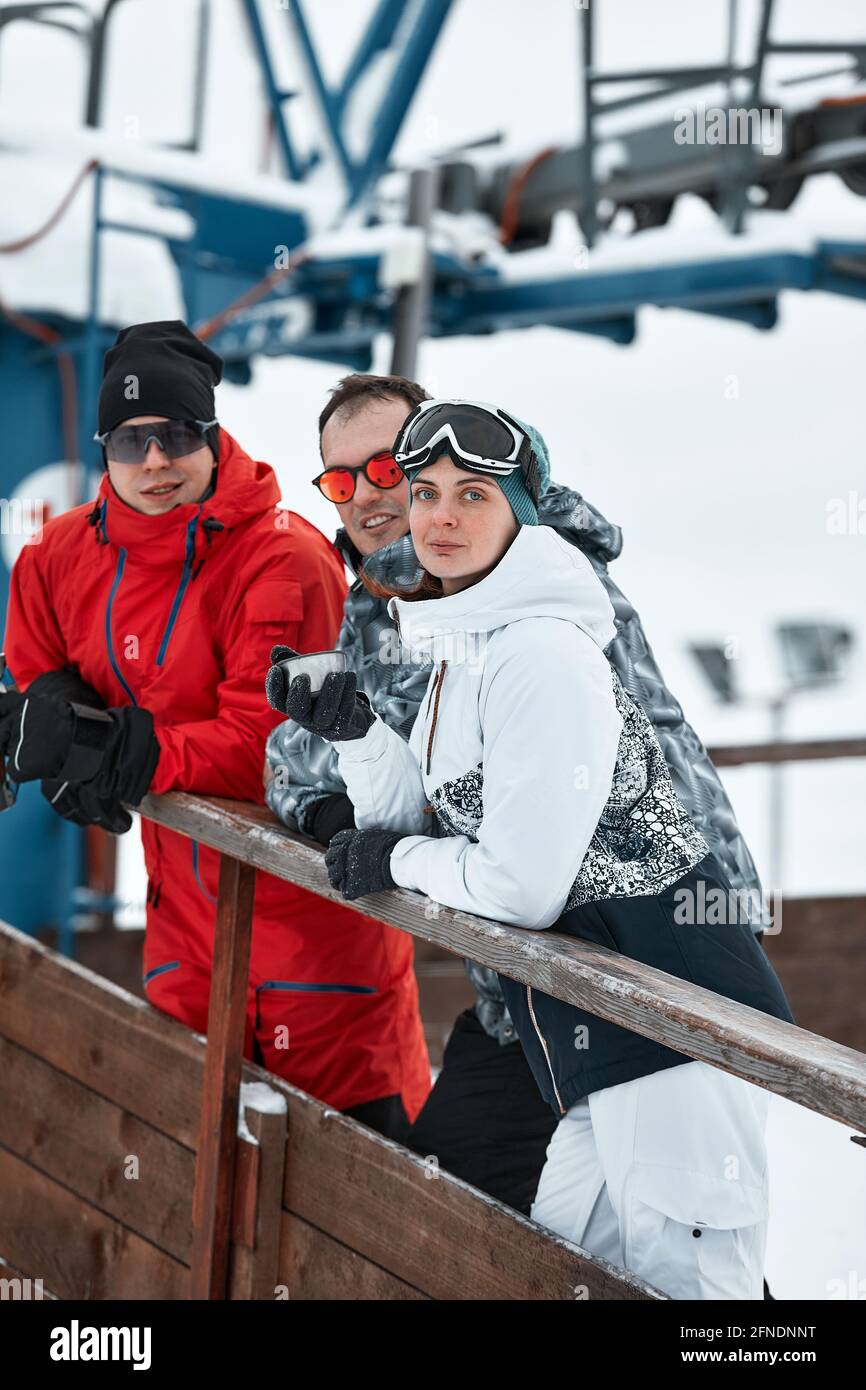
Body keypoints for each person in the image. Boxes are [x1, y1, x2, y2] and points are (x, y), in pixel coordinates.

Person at [267, 398, 796, 1300]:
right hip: (579, 1017)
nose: (436, 515)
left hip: (663, 1010)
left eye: (472, 495)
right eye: (427, 492)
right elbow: (441, 814)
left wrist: (389, 864)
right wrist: (357, 736)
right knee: (564, 1262)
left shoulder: (539, 650)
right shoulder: (455, 639)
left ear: (524, 512)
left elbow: (519, 885)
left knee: (703, 1294)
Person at [0, 320, 430, 1138]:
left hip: (323, 966)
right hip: (186, 952)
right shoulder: (60, 554)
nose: (155, 460)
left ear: (211, 432)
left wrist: (101, 748)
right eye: (130, 440)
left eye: (175, 433)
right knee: (188, 1202)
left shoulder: (284, 560)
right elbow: (37, 647)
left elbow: (273, 754)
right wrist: (59, 719)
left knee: (370, 1225)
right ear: (104, 449)